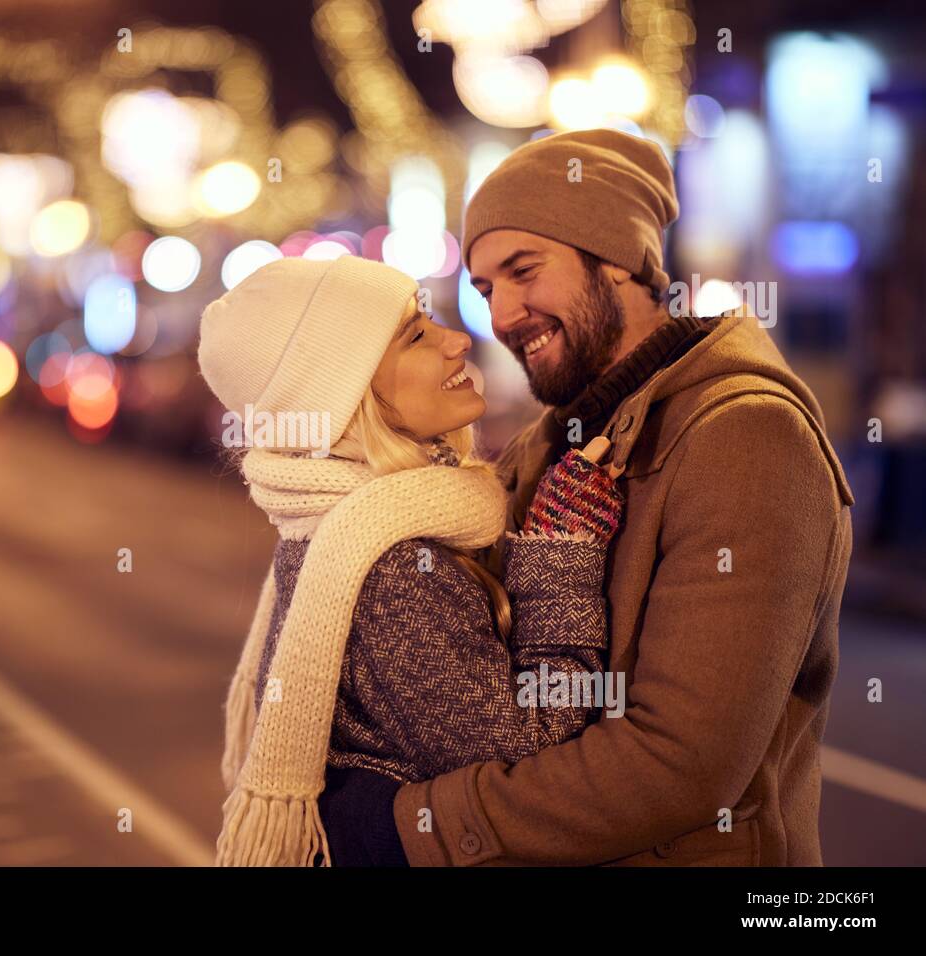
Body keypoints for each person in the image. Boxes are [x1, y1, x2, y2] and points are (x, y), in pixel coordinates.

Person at [321, 127, 855, 866]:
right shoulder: (554, 443)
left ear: (620, 259)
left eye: (524, 270)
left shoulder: (745, 438)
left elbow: (678, 766)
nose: (502, 315)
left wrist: (413, 826)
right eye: (484, 288)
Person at [197, 254, 626, 866]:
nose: (456, 338)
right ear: (347, 397)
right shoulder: (389, 568)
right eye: (416, 337)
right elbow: (528, 748)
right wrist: (562, 553)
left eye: (426, 316)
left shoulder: (350, 525)